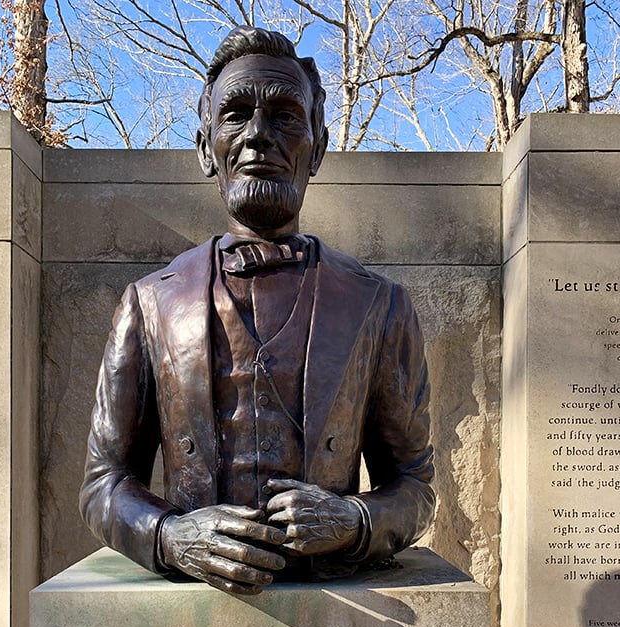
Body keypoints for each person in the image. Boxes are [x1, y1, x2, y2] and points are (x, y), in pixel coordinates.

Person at [80, 26, 434, 595]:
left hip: (333, 604)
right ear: (205, 149)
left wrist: (355, 522)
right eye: (236, 114)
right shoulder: (149, 304)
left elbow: (415, 483)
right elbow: (103, 484)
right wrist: (170, 537)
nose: (258, 137)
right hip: (197, 601)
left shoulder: (378, 305)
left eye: (285, 116)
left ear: (316, 148)